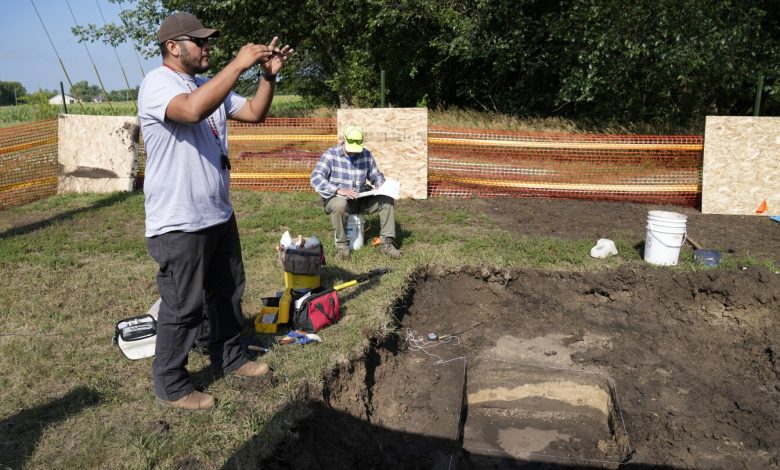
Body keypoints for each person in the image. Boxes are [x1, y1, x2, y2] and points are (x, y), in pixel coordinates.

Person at [138, 12, 293, 410]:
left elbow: (256, 113)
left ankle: (230, 357)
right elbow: (190, 111)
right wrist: (238, 64)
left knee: (226, 294)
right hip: (178, 221)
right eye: (199, 41)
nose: (207, 46)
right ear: (173, 47)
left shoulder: (209, 86)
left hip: (217, 214)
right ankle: (170, 383)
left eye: (209, 41)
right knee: (183, 307)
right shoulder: (158, 84)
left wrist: (267, 76)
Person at [310, 126, 402, 260]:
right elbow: (315, 177)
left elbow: (376, 176)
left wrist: (384, 186)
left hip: (360, 199)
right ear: (344, 140)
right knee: (339, 204)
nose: (353, 151)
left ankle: (386, 243)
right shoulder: (330, 155)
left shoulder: (366, 154)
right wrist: (337, 190)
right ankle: (342, 248)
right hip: (337, 199)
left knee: (386, 199)